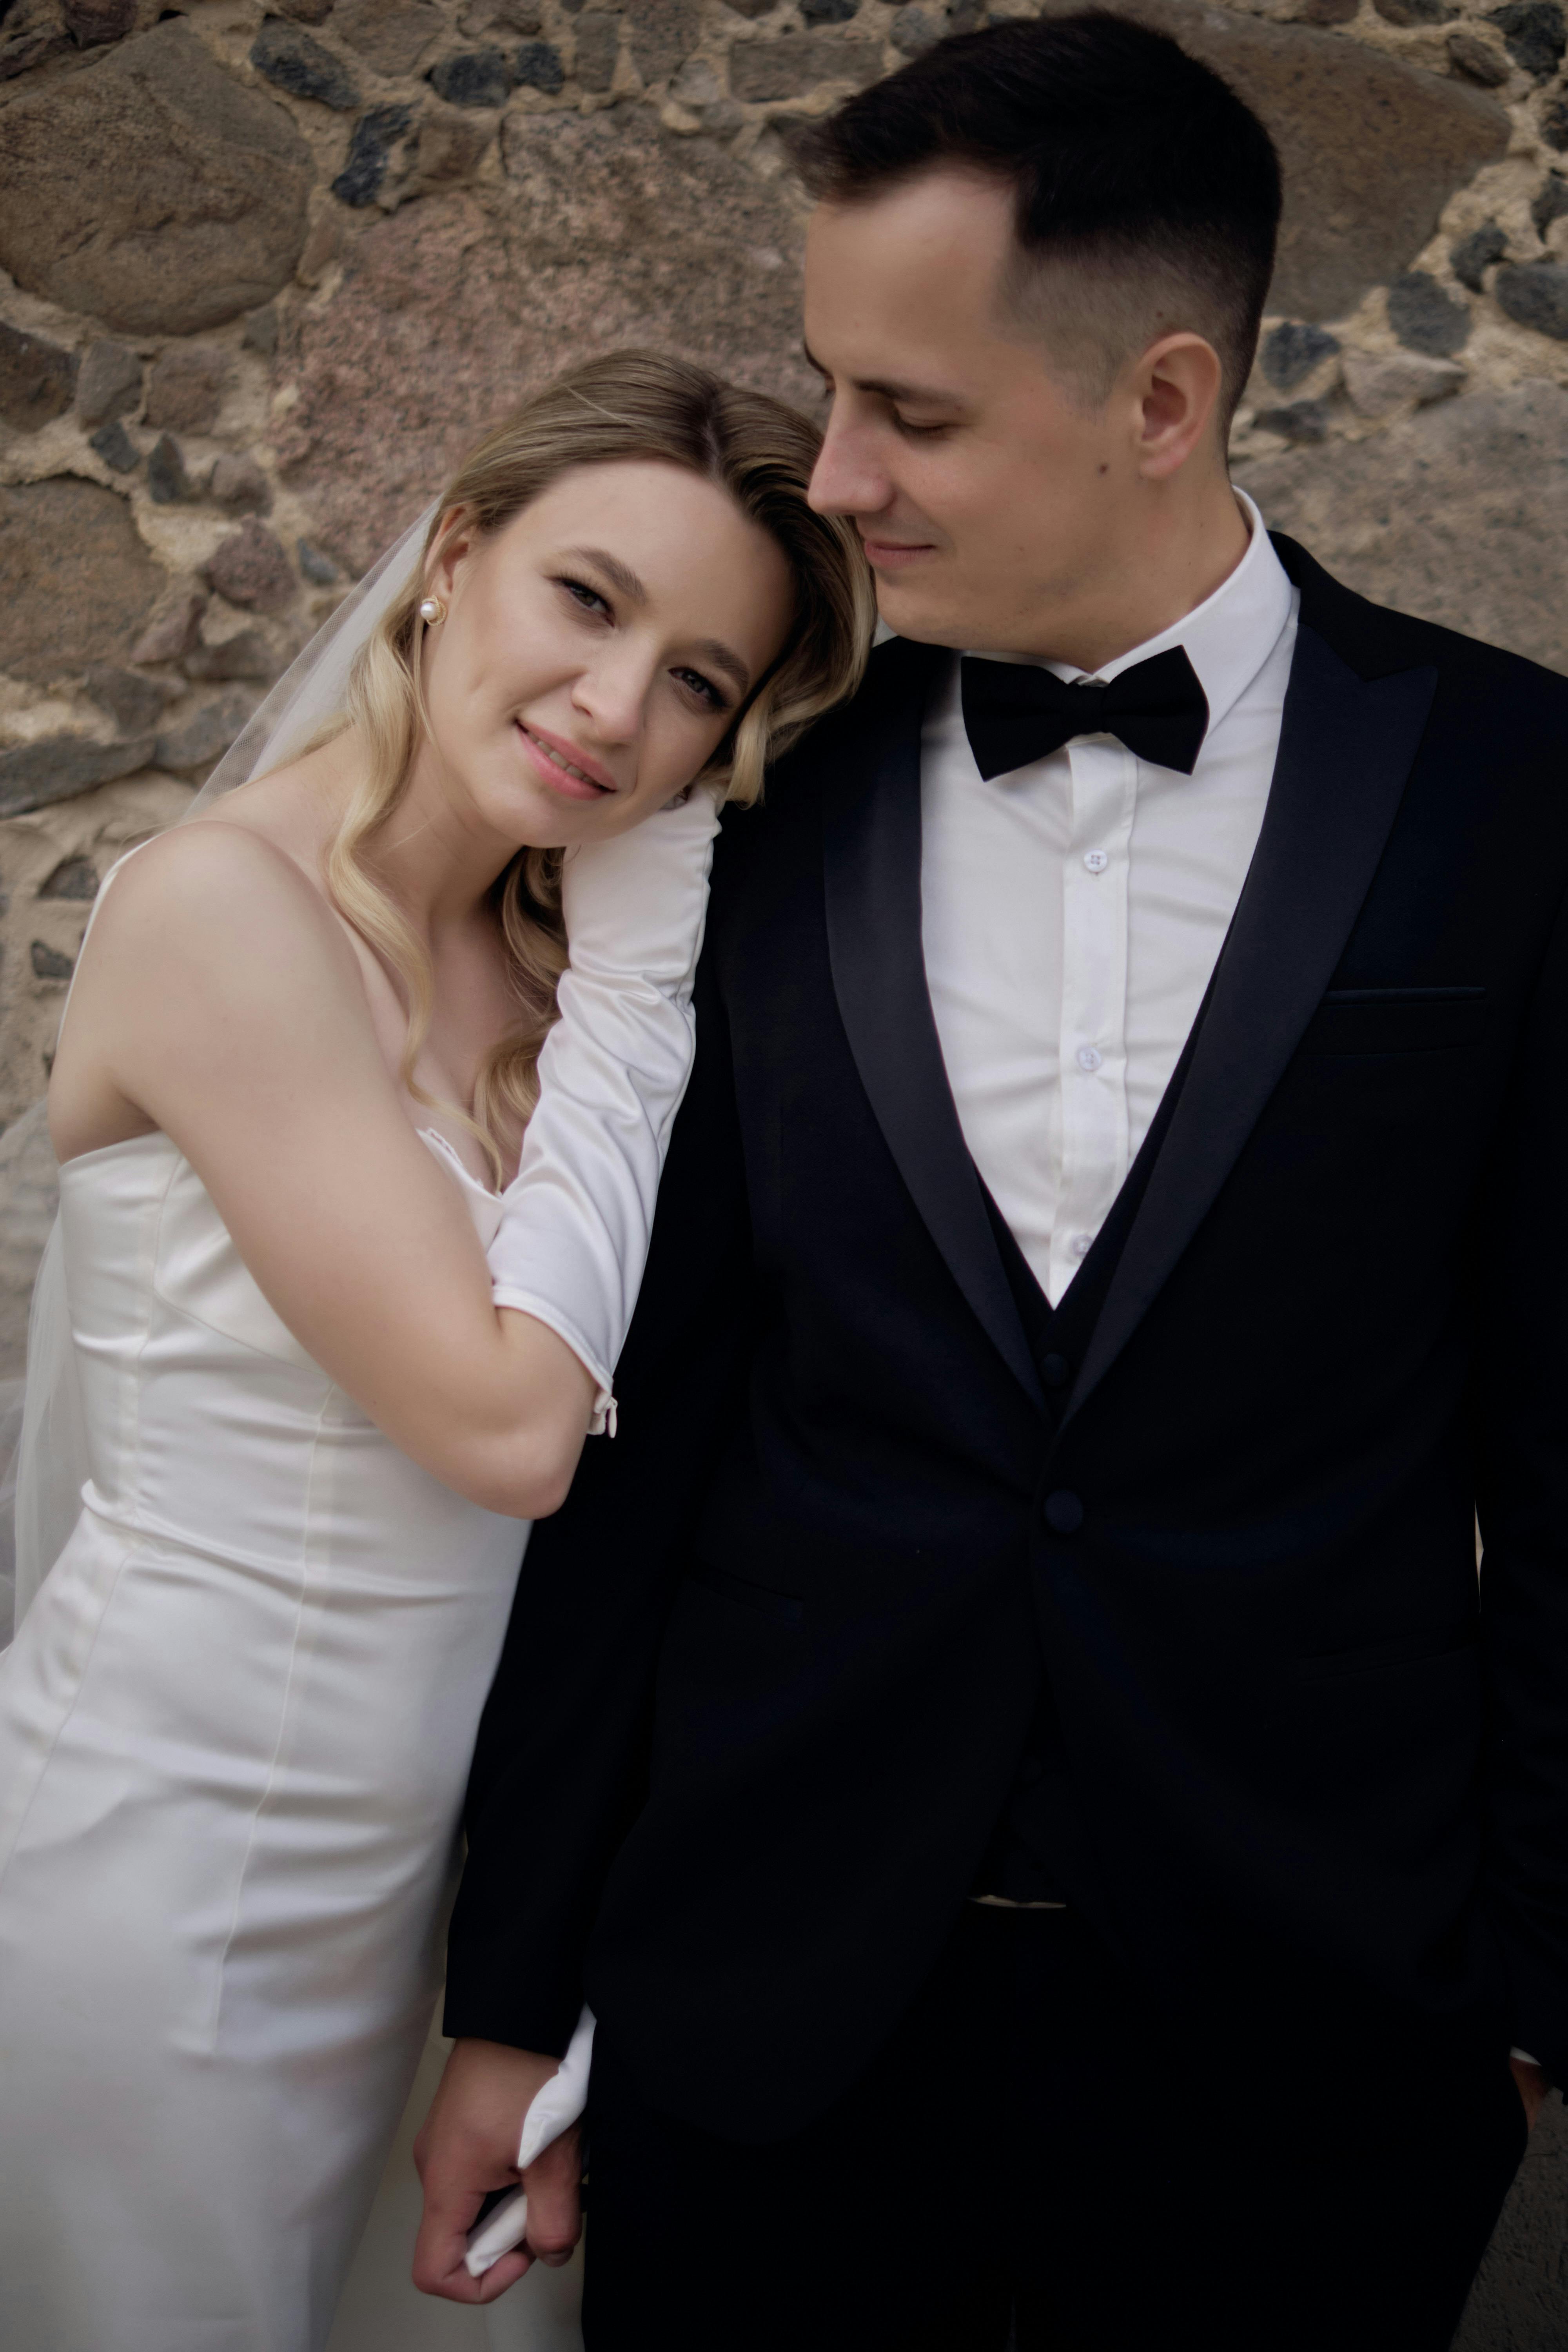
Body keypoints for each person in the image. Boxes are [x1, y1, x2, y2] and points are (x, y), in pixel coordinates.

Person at [414, 17, 1568, 2352]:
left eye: (909, 413)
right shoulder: (753, 802)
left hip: (1313, 2034)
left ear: (1161, 398)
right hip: (765, 2016)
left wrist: (1540, 1976)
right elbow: (648, 1439)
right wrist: (510, 1995)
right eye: (832, 391)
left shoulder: (1519, 791)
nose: (832, 477)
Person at [0, 349, 869, 2352]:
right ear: (453, 558)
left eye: (696, 682)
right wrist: (648, 996)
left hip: (427, 1914)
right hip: (171, 1886)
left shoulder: (539, 966)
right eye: (588, 599)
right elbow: (507, 1428)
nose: (613, 708)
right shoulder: (227, 915)